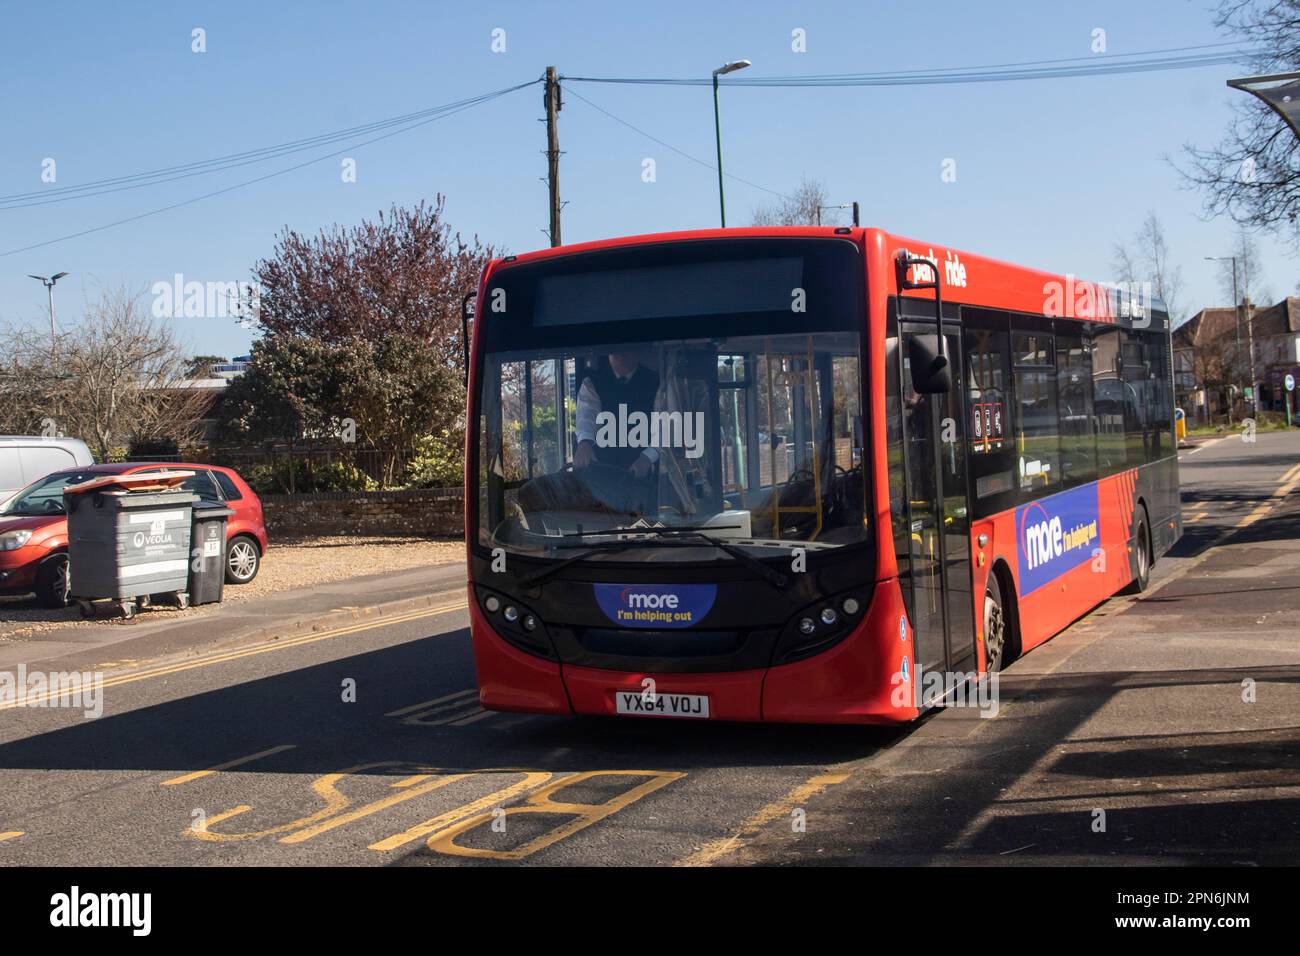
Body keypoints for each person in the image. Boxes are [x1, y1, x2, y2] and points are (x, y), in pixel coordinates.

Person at [573, 350, 662, 478]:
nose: (620, 354)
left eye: (626, 349)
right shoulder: (593, 381)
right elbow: (587, 415)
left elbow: (666, 426)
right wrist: (585, 443)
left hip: (643, 480)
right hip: (602, 479)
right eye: (615, 349)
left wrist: (648, 457)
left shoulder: (656, 381)